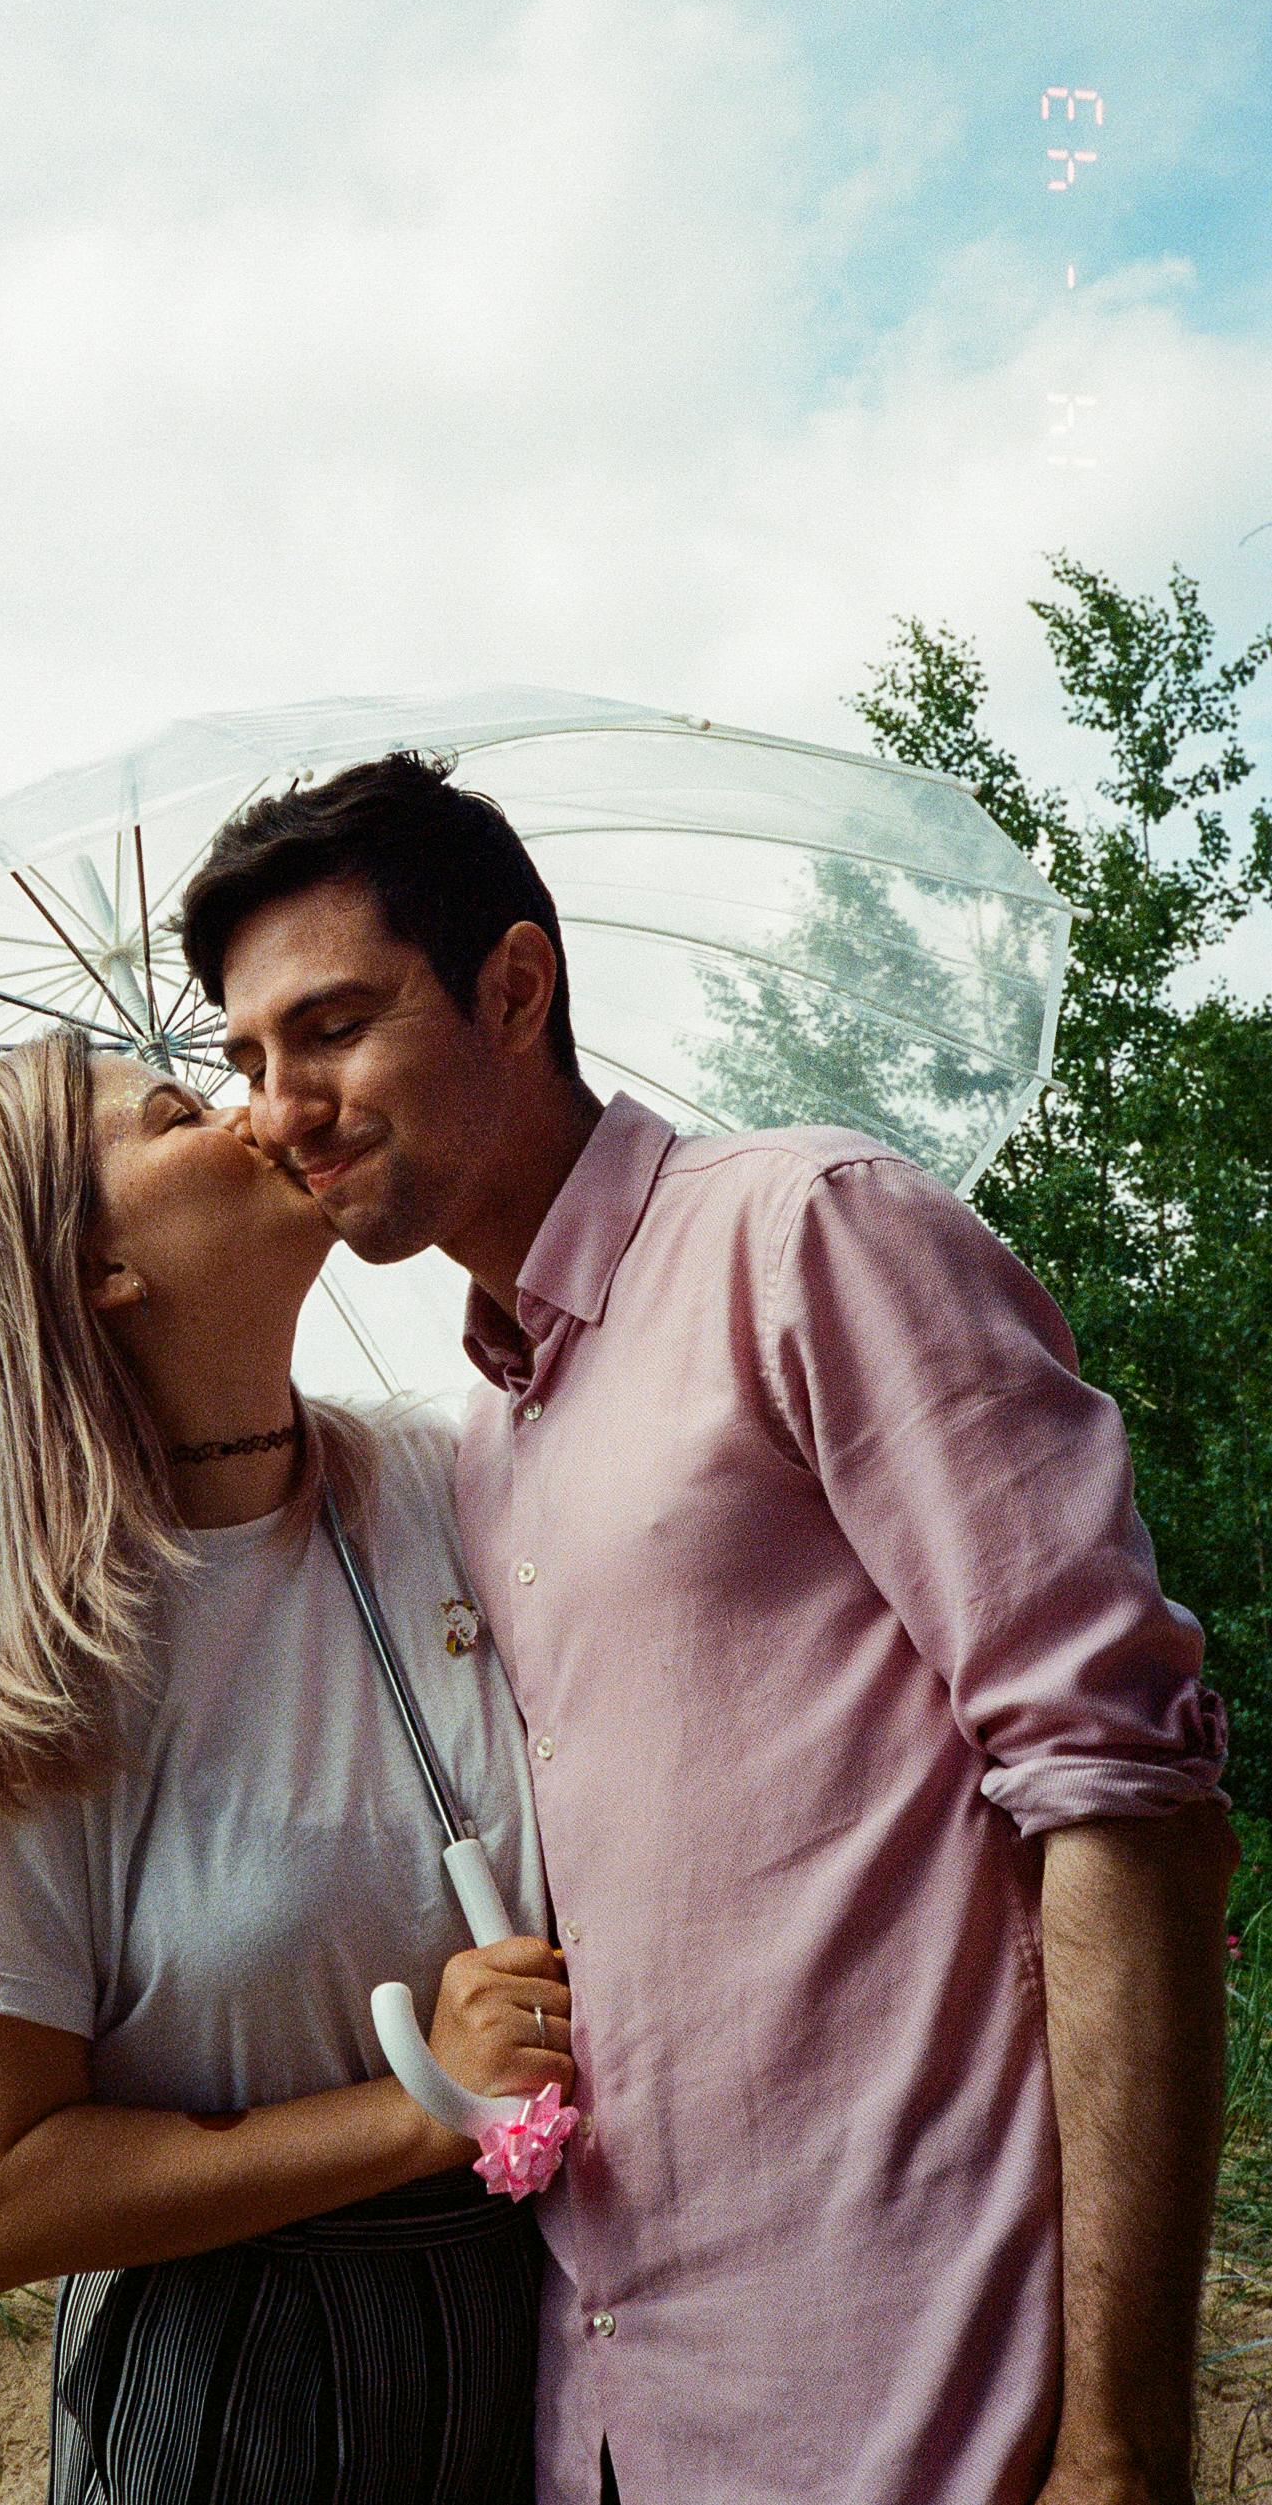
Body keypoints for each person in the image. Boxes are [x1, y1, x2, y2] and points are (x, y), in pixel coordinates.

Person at [182, 750, 1239, 2505]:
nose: (276, 1106)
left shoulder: (801, 1238)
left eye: (333, 1027)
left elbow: (1125, 1799)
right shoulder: (485, 1443)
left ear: (511, 986)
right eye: (244, 1059)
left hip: (921, 2407)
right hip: (614, 2411)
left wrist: (1118, 2450)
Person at [0, 1028, 570, 2504]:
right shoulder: (32, 1679)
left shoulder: (448, 1482)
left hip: (540, 2324)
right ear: (101, 1269)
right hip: (242, 2378)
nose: (258, 1113)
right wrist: (420, 2110)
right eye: (180, 1111)